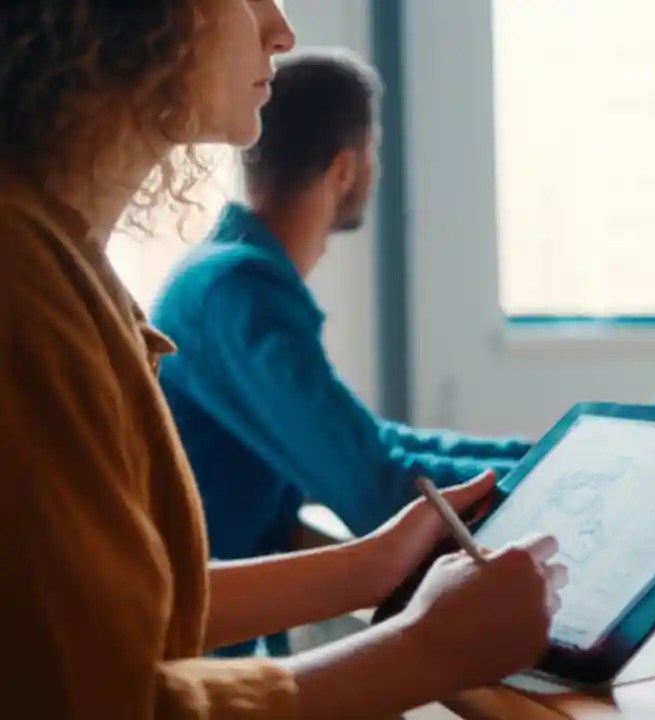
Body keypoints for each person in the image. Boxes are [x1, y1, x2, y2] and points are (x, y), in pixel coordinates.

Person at [0, 2, 564, 717]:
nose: (281, 28)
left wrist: (373, 566)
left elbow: (119, 607)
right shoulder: (35, 285)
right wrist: (424, 650)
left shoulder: (74, 270)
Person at [150, 52, 530, 647]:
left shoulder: (219, 276)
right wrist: (548, 474)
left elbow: (366, 440)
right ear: (347, 169)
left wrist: (538, 452)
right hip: (198, 667)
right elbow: (372, 486)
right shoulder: (237, 290)